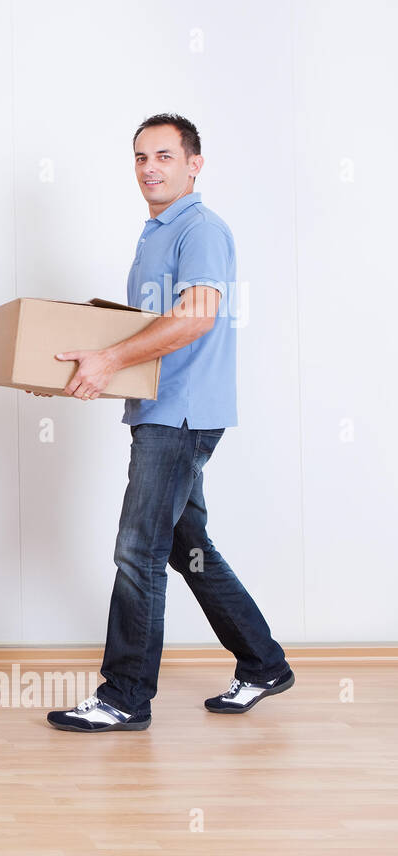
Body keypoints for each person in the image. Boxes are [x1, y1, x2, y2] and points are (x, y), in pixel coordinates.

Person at [46, 114, 293, 733]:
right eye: (139, 158)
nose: (149, 168)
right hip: (159, 410)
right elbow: (146, 326)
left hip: (183, 415)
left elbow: (195, 319)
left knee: (138, 549)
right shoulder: (155, 232)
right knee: (189, 548)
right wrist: (92, 363)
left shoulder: (200, 229)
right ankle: (263, 664)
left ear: (193, 163)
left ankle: (125, 695)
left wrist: (107, 360)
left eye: (163, 155)